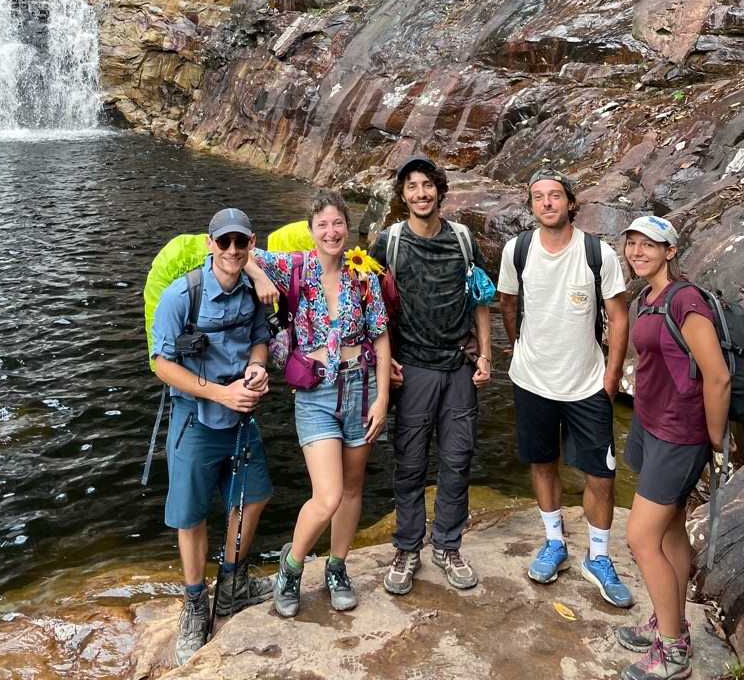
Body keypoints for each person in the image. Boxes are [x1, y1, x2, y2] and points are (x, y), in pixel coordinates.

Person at [246, 188, 390, 616]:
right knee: (326, 496)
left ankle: (338, 567)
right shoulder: (293, 265)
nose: (332, 232)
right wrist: (258, 276)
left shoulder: (362, 274)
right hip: (315, 395)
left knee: (351, 489)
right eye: (323, 225)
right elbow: (242, 255)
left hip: (360, 390)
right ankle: (291, 568)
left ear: (347, 228)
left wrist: (382, 398)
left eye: (338, 223)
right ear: (311, 231)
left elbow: (381, 338)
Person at [498, 169, 633, 606]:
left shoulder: (596, 253)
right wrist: (521, 349)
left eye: (555, 196)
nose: (547, 203)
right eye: (538, 197)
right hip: (533, 379)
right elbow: (508, 303)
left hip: (587, 382)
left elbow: (618, 316)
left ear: (570, 203)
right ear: (532, 205)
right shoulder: (517, 250)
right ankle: (554, 542)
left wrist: (611, 378)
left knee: (601, 473)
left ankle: (598, 556)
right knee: (543, 461)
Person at [151, 207, 275, 666]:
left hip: (242, 420)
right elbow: (162, 364)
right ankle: (194, 603)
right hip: (195, 421)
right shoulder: (180, 296)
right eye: (224, 242)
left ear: (250, 244)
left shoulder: (251, 292)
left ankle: (232, 583)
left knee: (253, 497)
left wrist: (257, 368)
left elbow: (261, 339)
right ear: (210, 244)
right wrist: (221, 394)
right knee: (191, 516)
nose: (232, 251)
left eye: (240, 242)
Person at [368, 154, 492, 595]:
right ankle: (406, 548)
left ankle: (448, 546)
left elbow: (480, 297)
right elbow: (369, 304)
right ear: (403, 196)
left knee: (458, 461)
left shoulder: (462, 239)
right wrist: (382, 362)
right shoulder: (389, 241)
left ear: (439, 190)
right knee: (410, 463)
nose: (420, 193)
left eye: (427, 185)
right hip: (412, 369)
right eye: (411, 187)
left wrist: (486, 355)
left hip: (458, 364)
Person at [616, 215, 731, 680]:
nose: (638, 252)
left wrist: (717, 439)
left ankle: (674, 652)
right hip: (651, 423)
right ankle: (671, 620)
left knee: (640, 538)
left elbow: (718, 376)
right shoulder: (648, 297)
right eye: (632, 244)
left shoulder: (685, 300)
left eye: (650, 245)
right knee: (670, 532)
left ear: (670, 251)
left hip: (679, 434)